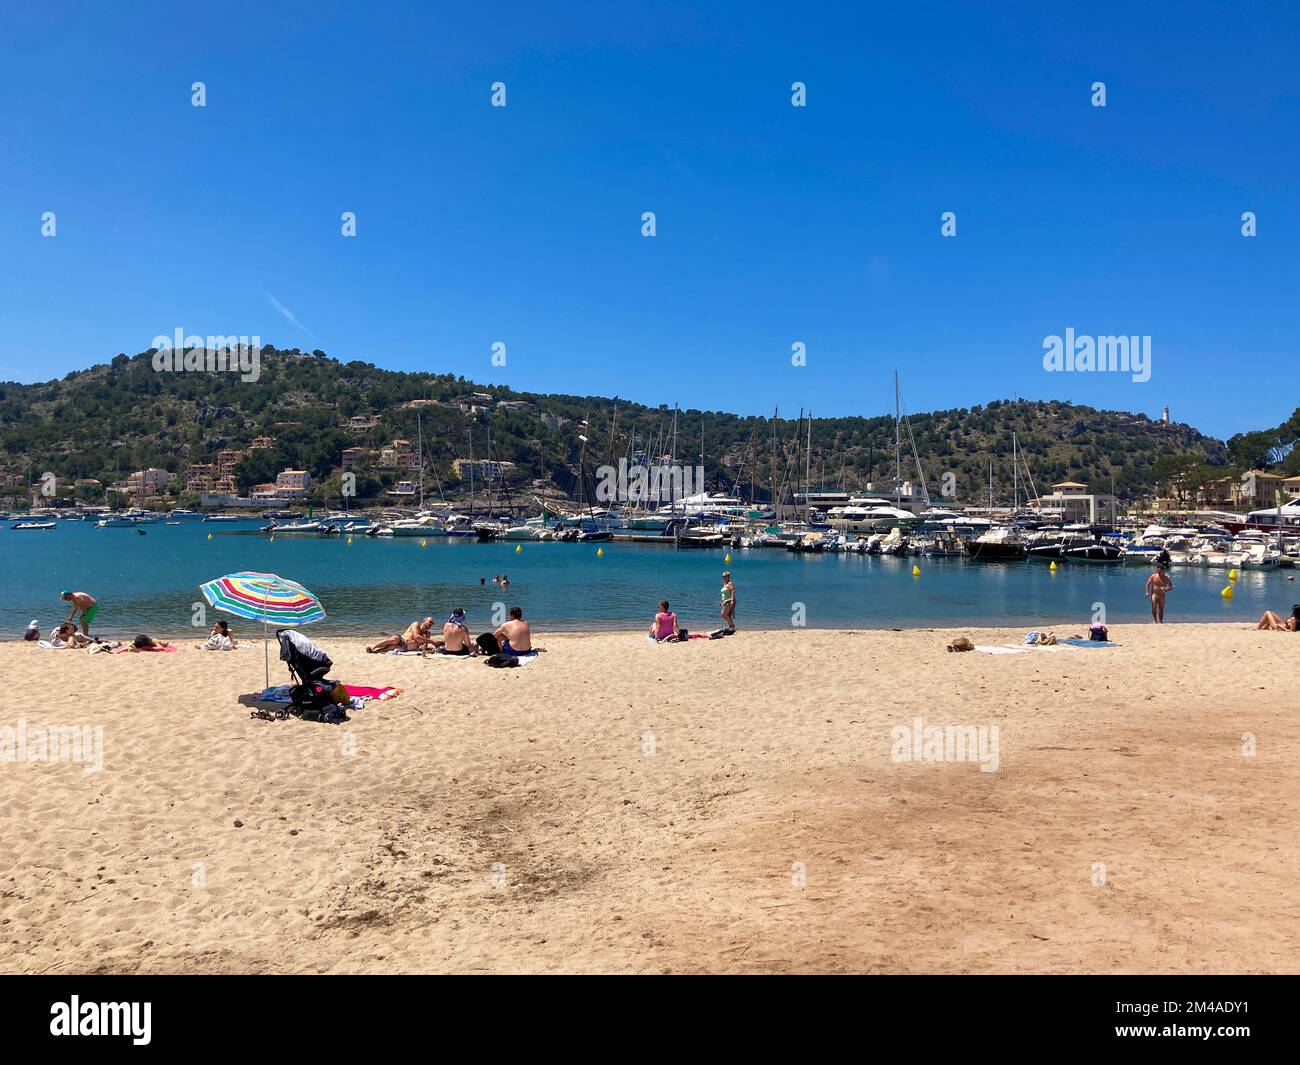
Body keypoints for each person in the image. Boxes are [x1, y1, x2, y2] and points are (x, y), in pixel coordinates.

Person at [366, 616, 435, 654]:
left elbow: (425, 645)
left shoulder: (427, 634)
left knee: (388, 649)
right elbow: (416, 637)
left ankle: (374, 651)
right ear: (424, 620)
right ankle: (373, 647)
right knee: (393, 640)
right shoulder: (416, 624)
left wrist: (424, 646)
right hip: (402, 639)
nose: (430, 624)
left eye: (432, 623)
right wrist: (432, 641)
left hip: (405, 647)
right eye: (430, 621)